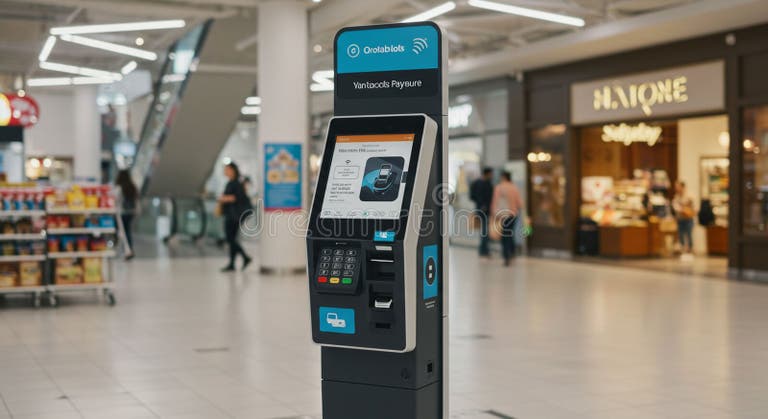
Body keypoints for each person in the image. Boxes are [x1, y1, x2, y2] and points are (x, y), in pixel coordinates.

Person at [218, 162, 253, 272]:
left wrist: (224, 198)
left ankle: (245, 257)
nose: (225, 172)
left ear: (233, 170)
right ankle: (232, 263)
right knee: (231, 239)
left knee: (231, 239)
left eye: (227, 169)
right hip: (231, 214)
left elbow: (237, 198)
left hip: (234, 215)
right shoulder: (231, 183)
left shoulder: (236, 183)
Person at [491, 171, 524, 266]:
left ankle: (506, 256)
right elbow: (520, 203)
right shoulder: (514, 188)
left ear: (503, 177)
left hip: (502, 215)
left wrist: (493, 214)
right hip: (513, 214)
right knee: (510, 233)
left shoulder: (499, 188)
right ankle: (512, 252)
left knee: (504, 235)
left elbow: (495, 202)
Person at [469, 168, 494, 258]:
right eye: (491, 174)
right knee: (485, 231)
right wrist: (482, 205)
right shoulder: (479, 183)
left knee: (484, 231)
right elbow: (473, 196)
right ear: (487, 174)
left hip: (484, 210)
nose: (492, 176)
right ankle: (484, 250)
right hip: (482, 210)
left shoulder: (487, 183)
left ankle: (483, 250)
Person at [115, 169, 139, 260]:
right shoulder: (132, 186)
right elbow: (136, 200)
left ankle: (126, 250)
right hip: (131, 212)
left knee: (122, 231)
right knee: (127, 231)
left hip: (122, 212)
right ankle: (129, 249)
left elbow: (116, 200)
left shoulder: (119, 187)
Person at [673, 180, 696, 259]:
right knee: (681, 235)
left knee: (689, 234)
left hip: (688, 218)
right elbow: (676, 207)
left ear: (682, 187)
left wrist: (685, 207)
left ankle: (690, 250)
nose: (677, 188)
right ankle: (682, 250)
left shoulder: (689, 196)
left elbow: (693, 207)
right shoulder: (676, 197)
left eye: (678, 186)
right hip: (680, 219)